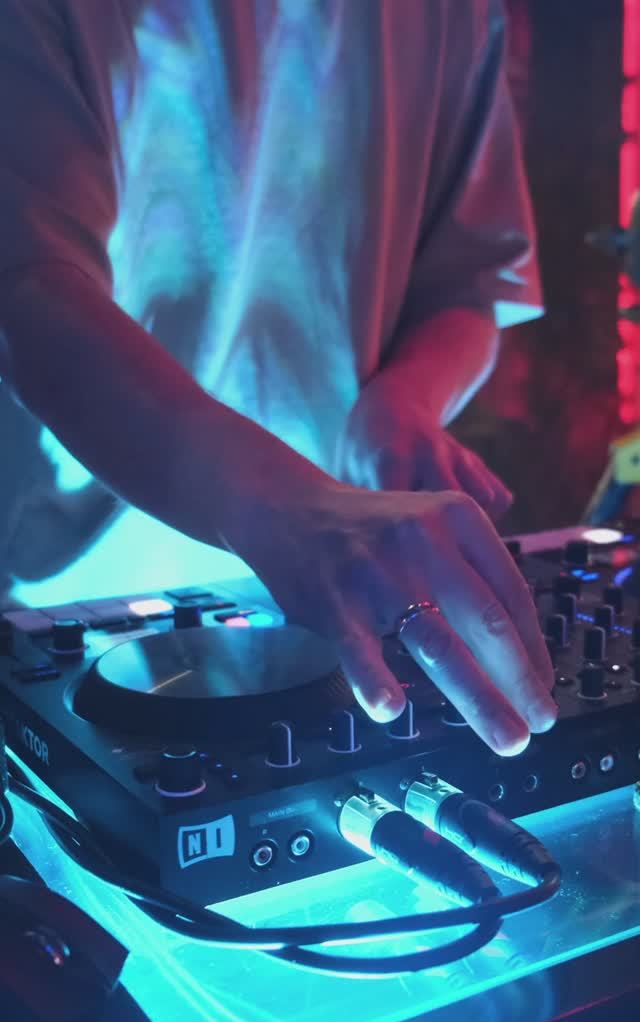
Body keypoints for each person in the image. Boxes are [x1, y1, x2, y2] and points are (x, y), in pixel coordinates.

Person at [0, 0, 557, 757]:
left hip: (332, 602)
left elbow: (469, 289)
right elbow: (29, 291)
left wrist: (400, 402)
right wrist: (287, 508)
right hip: (60, 607)